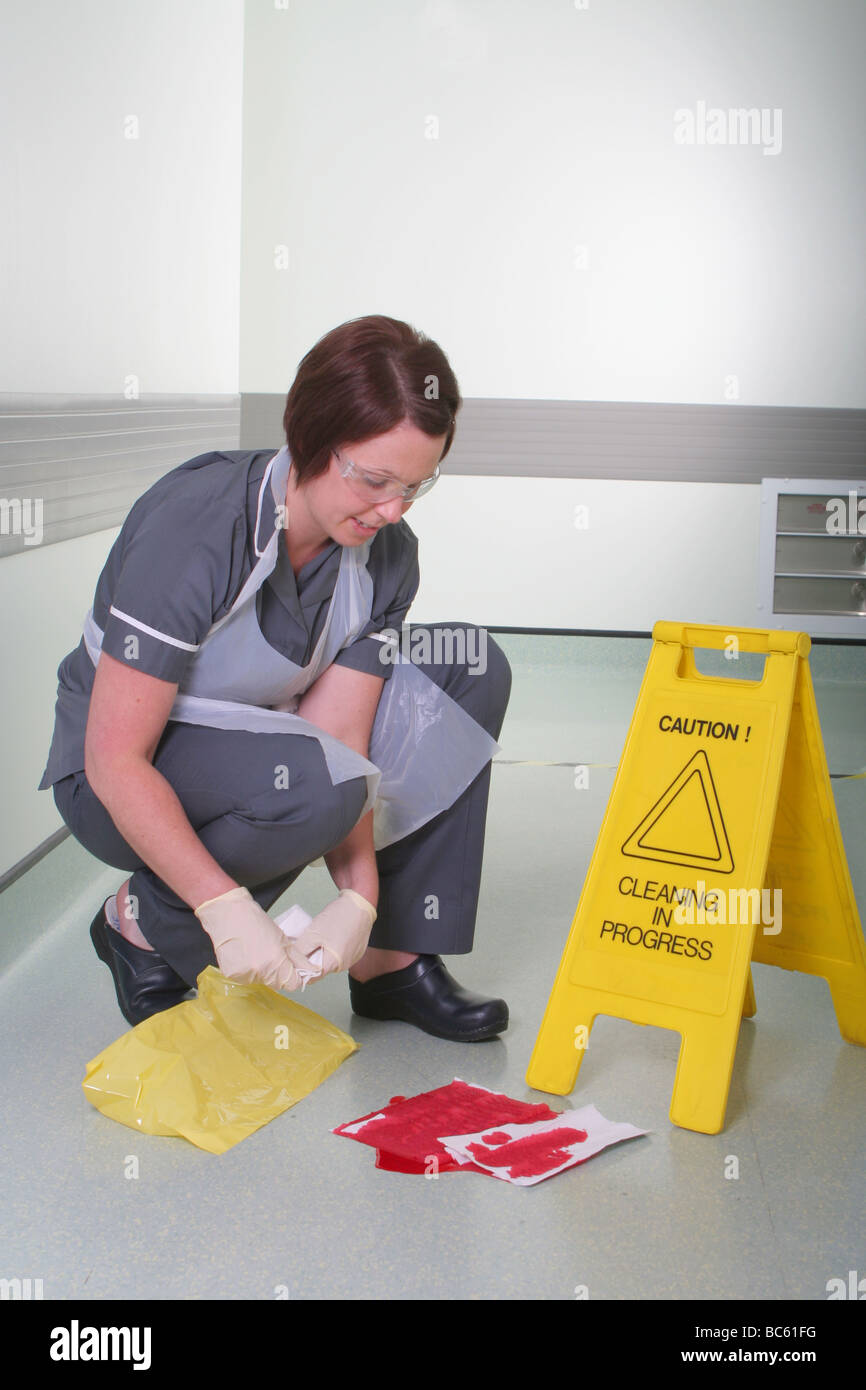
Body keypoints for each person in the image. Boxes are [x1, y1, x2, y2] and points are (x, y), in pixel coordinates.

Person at [37, 315, 512, 1041]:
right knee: (316, 783)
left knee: (466, 667)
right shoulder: (198, 524)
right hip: (119, 769)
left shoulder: (388, 555)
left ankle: (388, 964)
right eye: (376, 480)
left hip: (266, 747)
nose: (393, 510)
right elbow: (113, 757)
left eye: (416, 486)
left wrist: (360, 901)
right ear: (311, 438)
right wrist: (224, 905)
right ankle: (143, 924)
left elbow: (340, 739)